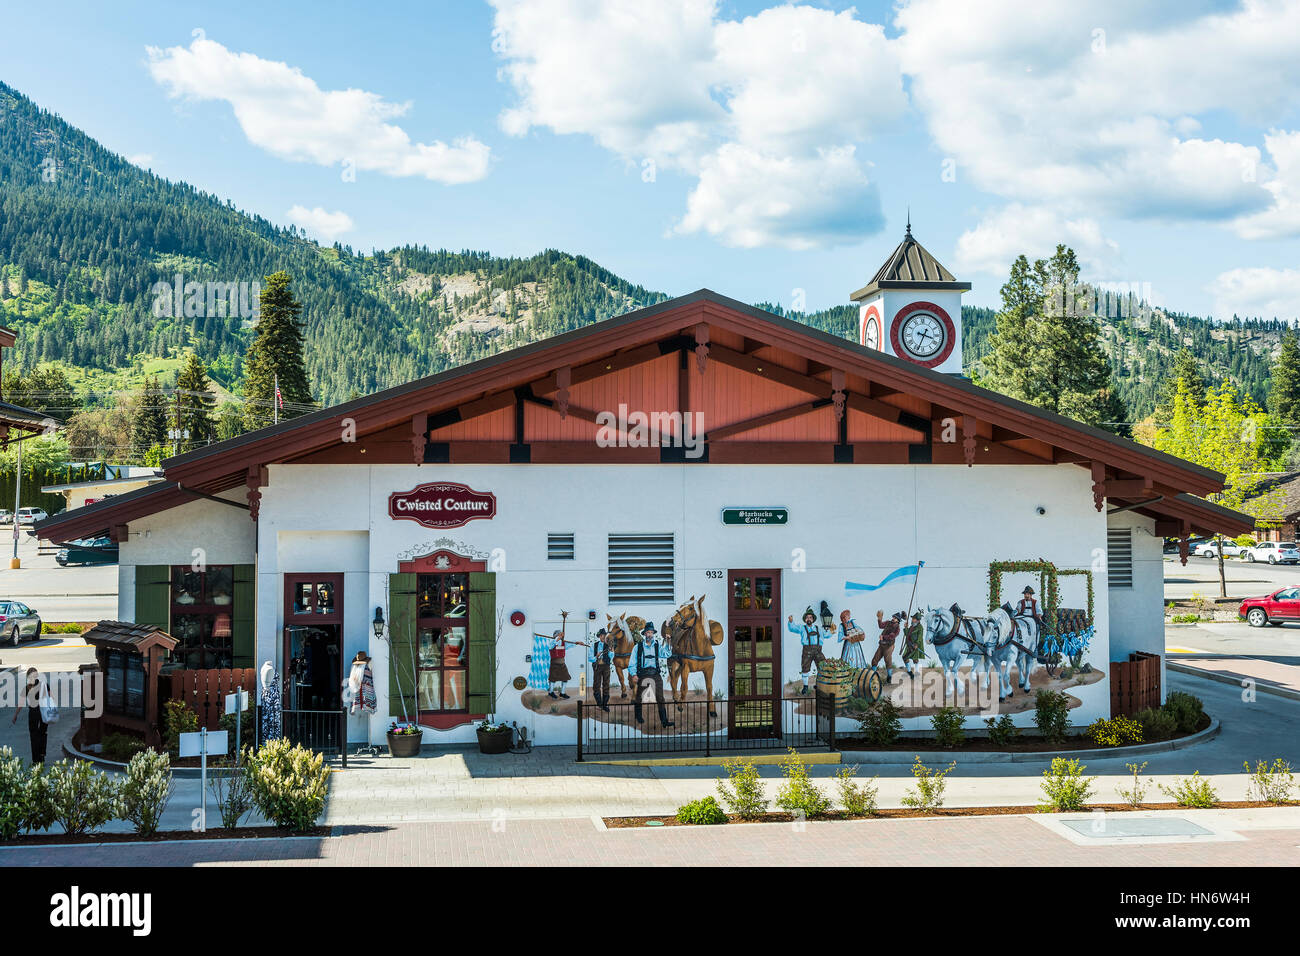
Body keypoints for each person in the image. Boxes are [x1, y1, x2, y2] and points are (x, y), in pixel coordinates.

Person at [632, 622, 674, 727]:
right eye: (648, 632)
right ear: (644, 634)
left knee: (660, 698)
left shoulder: (657, 645)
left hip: (655, 674)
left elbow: (667, 654)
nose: (649, 635)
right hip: (643, 674)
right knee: (639, 697)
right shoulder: (638, 647)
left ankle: (664, 721)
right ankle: (638, 716)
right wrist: (634, 674)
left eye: (651, 632)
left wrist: (668, 642)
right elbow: (632, 662)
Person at [10, 667, 48, 764]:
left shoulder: (27, 688)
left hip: (33, 714)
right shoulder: (44, 685)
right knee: (43, 733)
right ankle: (42, 756)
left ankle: (36, 759)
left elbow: (21, 704)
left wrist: (15, 715)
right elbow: (51, 698)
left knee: (34, 736)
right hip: (44, 713)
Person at [787, 607, 826, 695]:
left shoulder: (818, 628)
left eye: (810, 617)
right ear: (805, 619)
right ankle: (805, 687)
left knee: (822, 667)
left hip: (818, 651)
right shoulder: (801, 628)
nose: (809, 619)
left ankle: (820, 685)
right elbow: (792, 628)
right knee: (805, 668)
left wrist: (831, 631)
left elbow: (826, 635)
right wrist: (791, 621)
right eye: (807, 617)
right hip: (807, 651)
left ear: (813, 619)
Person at [872, 611, 901, 681]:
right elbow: (881, 626)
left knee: (888, 660)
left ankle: (889, 677)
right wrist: (879, 619)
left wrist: (883, 637)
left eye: (895, 618)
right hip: (882, 644)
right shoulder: (888, 622)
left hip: (889, 646)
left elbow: (892, 636)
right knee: (875, 659)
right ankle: (873, 675)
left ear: (898, 620)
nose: (893, 618)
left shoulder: (897, 628)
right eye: (893, 617)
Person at [588, 627, 612, 711]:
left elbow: (611, 657)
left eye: (604, 635)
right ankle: (599, 704)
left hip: (606, 667)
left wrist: (611, 651)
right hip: (597, 666)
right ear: (599, 636)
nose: (603, 637)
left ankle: (605, 704)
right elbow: (590, 658)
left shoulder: (609, 645)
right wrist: (596, 656)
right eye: (601, 635)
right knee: (596, 685)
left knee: (606, 684)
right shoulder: (594, 645)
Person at [547, 629, 571, 699]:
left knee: (565, 678)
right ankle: (550, 692)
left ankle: (562, 693)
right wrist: (558, 637)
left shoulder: (563, 643)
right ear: (556, 636)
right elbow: (551, 645)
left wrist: (577, 642)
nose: (561, 636)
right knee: (553, 679)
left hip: (562, 664)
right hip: (554, 664)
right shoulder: (552, 642)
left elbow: (570, 645)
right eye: (559, 635)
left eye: (561, 635)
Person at [902, 610, 925, 676]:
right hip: (909, 645)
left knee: (915, 659)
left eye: (914, 619)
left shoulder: (920, 627)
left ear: (918, 620)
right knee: (905, 657)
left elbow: (920, 637)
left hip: (915, 645)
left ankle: (917, 672)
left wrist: (916, 644)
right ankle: (909, 672)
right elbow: (907, 634)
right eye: (912, 618)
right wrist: (906, 628)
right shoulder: (912, 626)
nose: (912, 620)